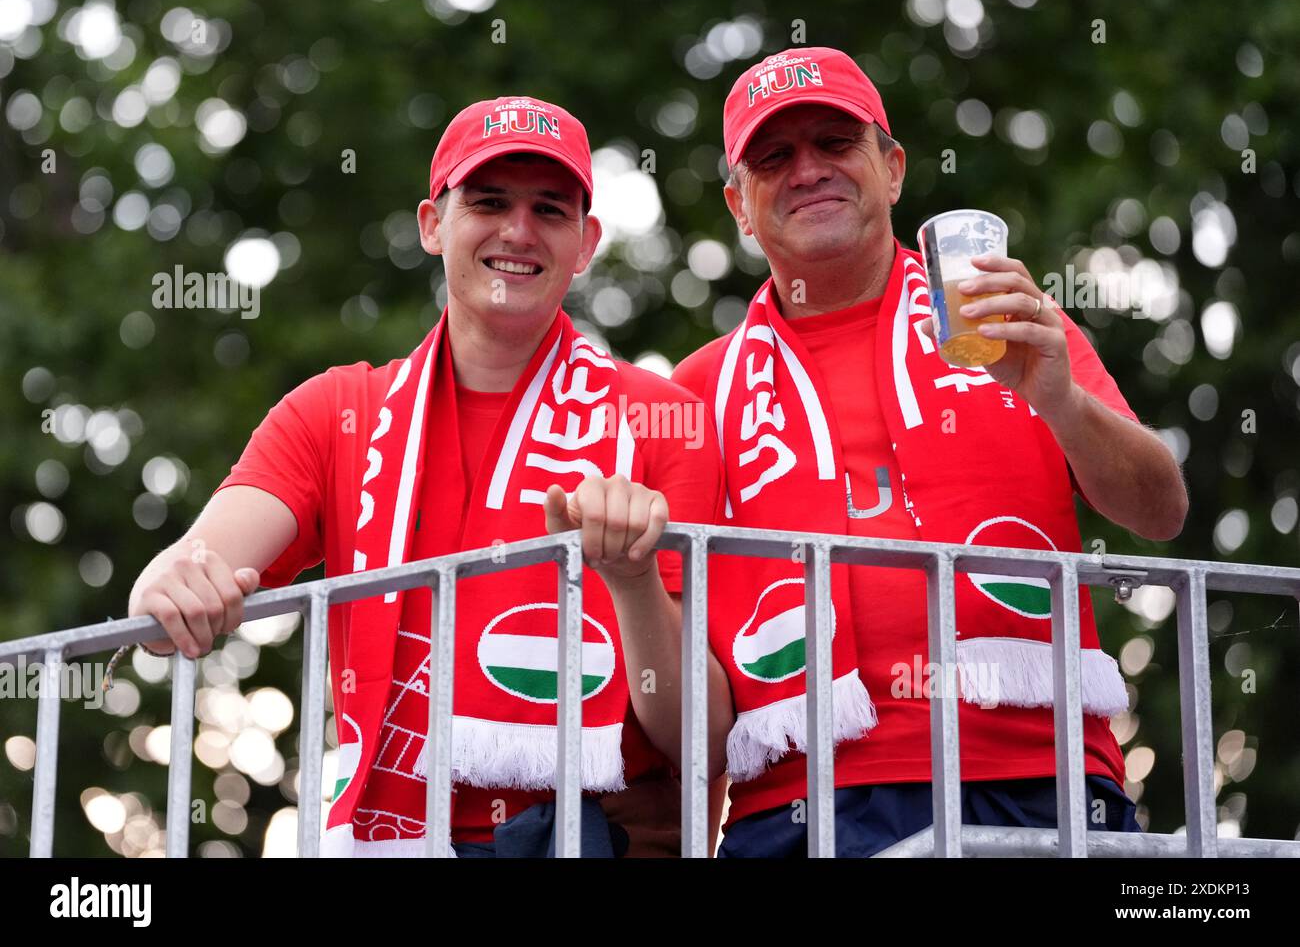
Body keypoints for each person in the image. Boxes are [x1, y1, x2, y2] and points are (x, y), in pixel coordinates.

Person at [128, 95, 733, 857]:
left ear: (585, 244)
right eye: (488, 202)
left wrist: (633, 581)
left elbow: (704, 736)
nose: (518, 231)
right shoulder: (334, 411)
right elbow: (192, 567)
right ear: (431, 224)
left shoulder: (664, 417)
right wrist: (163, 587)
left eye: (549, 209)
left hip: (596, 837)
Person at [670, 47, 1189, 857]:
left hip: (1040, 780)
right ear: (739, 205)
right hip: (798, 805)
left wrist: (1059, 400)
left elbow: (1161, 512)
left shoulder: (1006, 316)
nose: (808, 171)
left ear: (893, 169)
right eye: (773, 157)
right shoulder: (696, 389)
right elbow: (684, 659)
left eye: (835, 142)